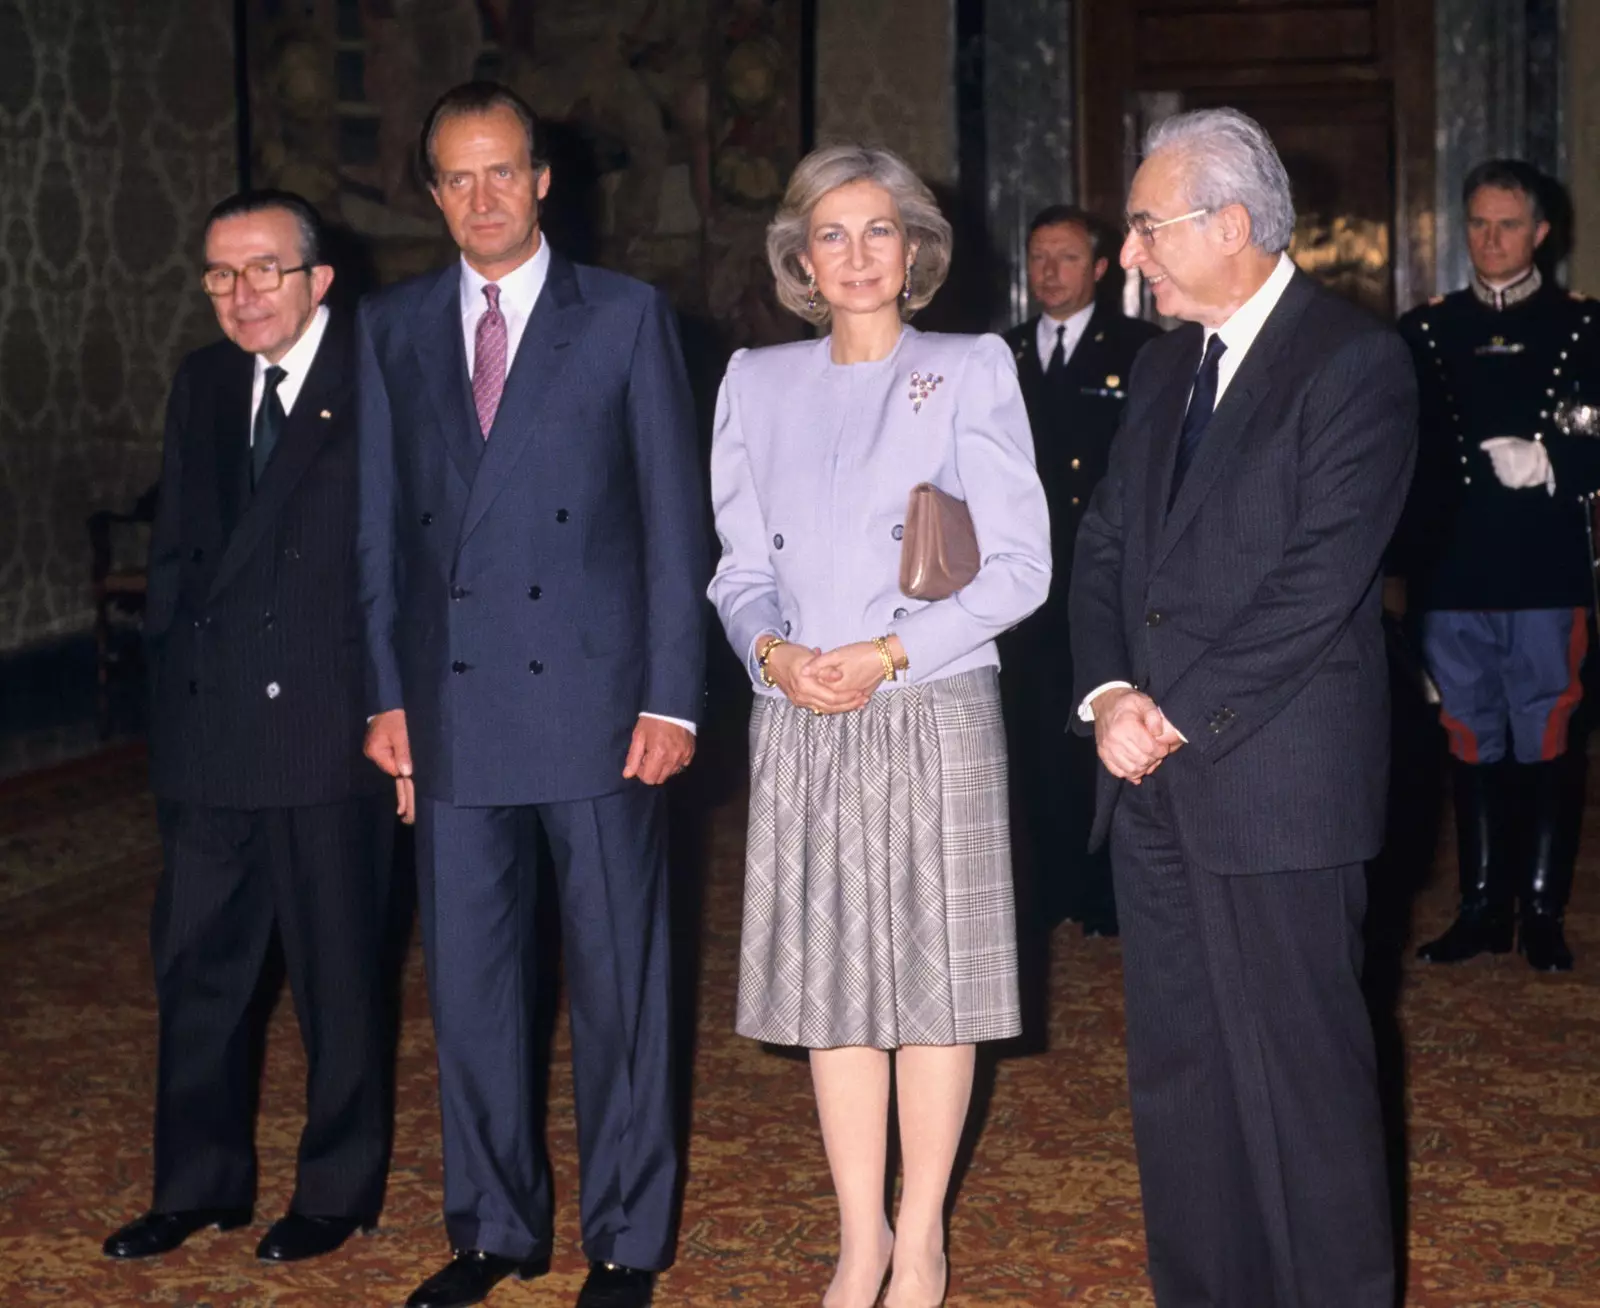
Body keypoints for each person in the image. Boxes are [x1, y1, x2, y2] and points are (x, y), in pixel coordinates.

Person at [356, 82, 706, 1308]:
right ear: (433, 191)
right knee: (470, 992)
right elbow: (379, 535)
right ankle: (493, 1228)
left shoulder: (623, 318)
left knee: (621, 990)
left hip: (602, 710)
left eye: (502, 171)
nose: (482, 197)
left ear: (544, 178)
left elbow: (675, 522)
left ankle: (625, 1237)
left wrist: (674, 696)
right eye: (456, 177)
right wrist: (386, 696)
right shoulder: (393, 327)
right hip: (451, 715)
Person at [1068, 108, 1417, 1306]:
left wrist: (1167, 713)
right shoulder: (1165, 364)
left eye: (1144, 228)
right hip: (1149, 781)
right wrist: (1109, 693)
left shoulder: (1352, 363)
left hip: (1276, 783)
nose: (1130, 256)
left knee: (1303, 1087)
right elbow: (1107, 547)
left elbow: (1318, 582)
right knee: (1181, 1077)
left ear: (1229, 225)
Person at [707, 144, 1051, 1308]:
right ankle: (858, 1236)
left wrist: (889, 650)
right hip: (802, 713)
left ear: (915, 251)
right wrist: (774, 650)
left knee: (933, 985)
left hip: (929, 701)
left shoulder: (966, 367)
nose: (855, 255)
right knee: (833, 990)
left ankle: (921, 1234)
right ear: (800, 256)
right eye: (831, 234)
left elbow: (1018, 567)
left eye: (878, 231)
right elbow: (738, 570)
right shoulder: (754, 379)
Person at [104, 191, 396, 1265]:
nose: (242, 295)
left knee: (338, 982)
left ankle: (336, 1190)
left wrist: (397, 714)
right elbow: (181, 555)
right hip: (211, 734)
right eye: (222, 275)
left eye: (265, 270)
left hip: (331, 730)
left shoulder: (380, 374)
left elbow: (403, 568)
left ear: (321, 279)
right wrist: (167, 713)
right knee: (196, 975)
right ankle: (198, 1185)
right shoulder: (204, 380)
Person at [1396, 159, 1600, 973]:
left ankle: (1542, 910)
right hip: (1456, 568)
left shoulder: (1585, 328)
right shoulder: (1427, 330)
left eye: (1508, 224)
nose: (1490, 240)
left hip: (1547, 567)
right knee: (1470, 735)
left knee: (1546, 731)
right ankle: (1482, 905)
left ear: (1542, 231)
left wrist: (1556, 462)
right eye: (1477, 223)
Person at [999, 205, 1162, 936]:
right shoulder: (999, 355)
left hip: (1101, 576)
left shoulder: (1142, 350)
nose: (1049, 273)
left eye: (1066, 258)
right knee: (1026, 737)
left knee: (1097, 735)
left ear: (1100, 268)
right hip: (1018, 580)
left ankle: (1101, 889)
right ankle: (1042, 887)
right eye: (1038, 258)